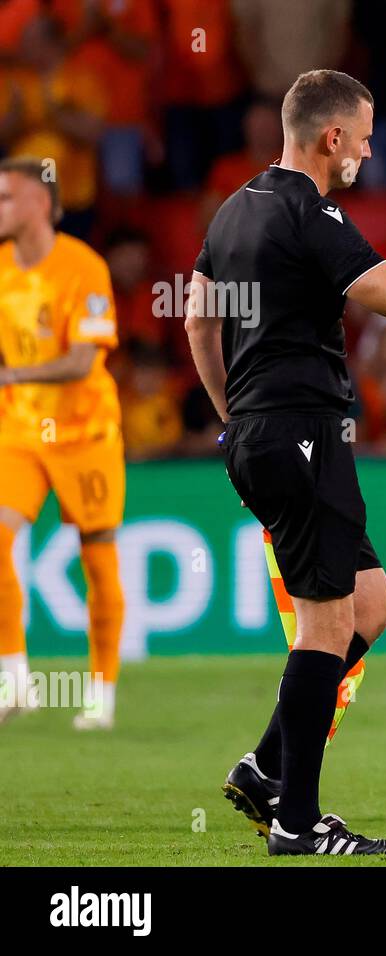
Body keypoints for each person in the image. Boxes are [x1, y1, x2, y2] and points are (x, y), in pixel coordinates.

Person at [186, 68, 386, 856]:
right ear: (332, 137)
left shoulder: (235, 207)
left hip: (266, 432)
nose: (369, 148)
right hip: (302, 431)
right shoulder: (310, 211)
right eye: (363, 135)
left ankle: (267, 769)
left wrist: (238, 422)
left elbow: (198, 320)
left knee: (369, 606)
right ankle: (297, 822)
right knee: (324, 626)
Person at [0, 157, 125, 731]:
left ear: (44, 205)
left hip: (85, 433)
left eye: (9, 196)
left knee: (97, 560)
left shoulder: (83, 267)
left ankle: (101, 692)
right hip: (21, 431)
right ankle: (14, 677)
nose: (0, 205)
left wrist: (14, 377)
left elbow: (83, 360)